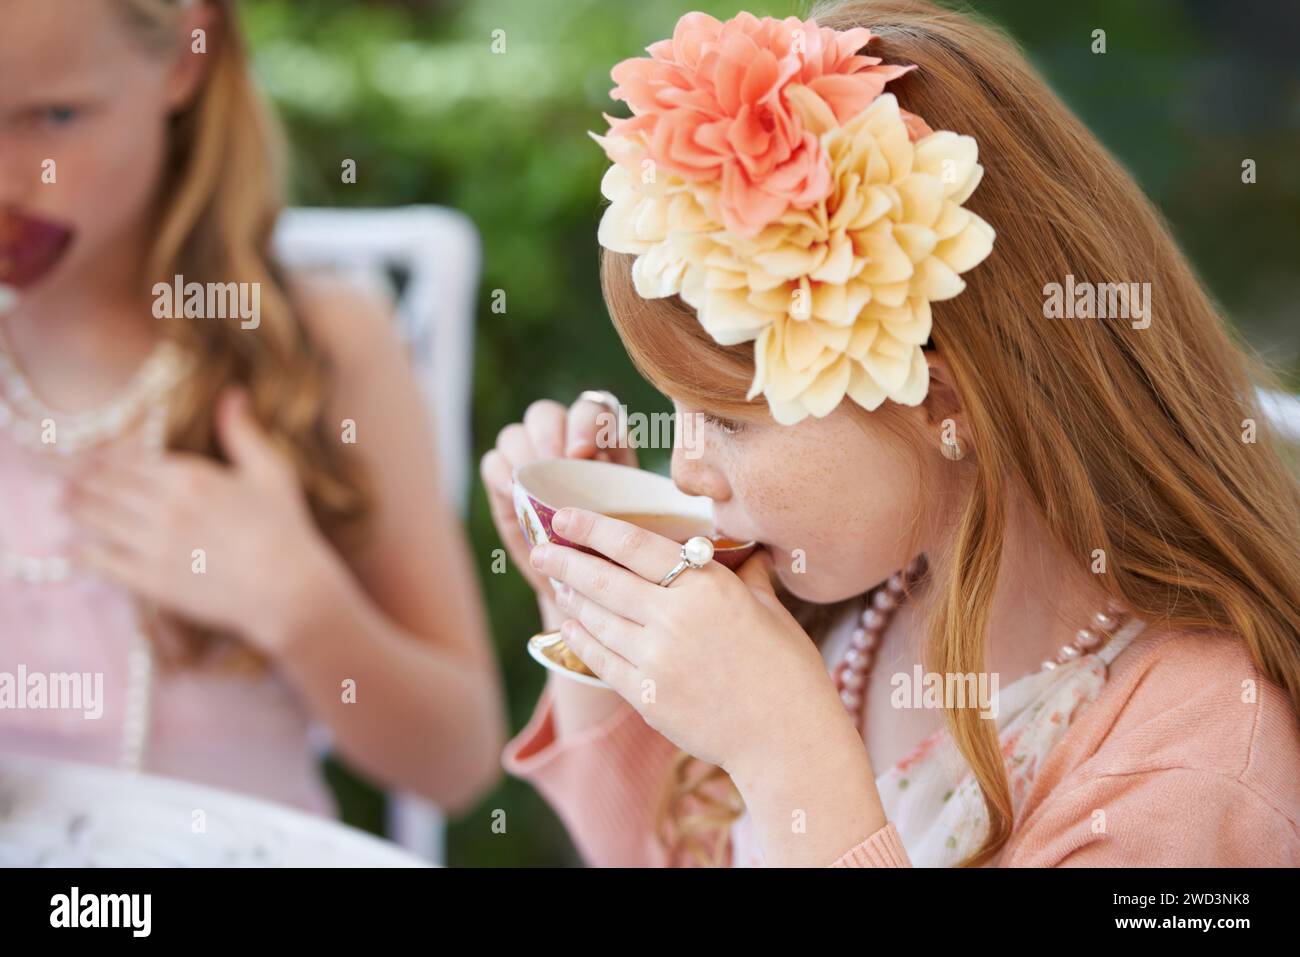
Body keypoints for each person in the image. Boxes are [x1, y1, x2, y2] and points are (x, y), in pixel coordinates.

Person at [483, 2, 1300, 866]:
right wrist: (588, 616)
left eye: (727, 417)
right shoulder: (860, 608)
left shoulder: (1187, 772)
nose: (686, 472)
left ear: (942, 404)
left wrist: (788, 755)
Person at [0, 0, 505, 818]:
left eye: (54, 115)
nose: (11, 180)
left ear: (185, 56)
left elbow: (458, 757)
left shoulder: (321, 346)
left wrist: (299, 603)